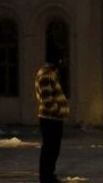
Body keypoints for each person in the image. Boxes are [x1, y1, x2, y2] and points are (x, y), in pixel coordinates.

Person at [36, 53, 70, 183]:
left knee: (52, 149)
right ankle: (46, 177)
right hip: (50, 118)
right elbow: (47, 99)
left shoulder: (51, 73)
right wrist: (59, 110)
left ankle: (49, 175)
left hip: (53, 118)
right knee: (50, 149)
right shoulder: (46, 74)